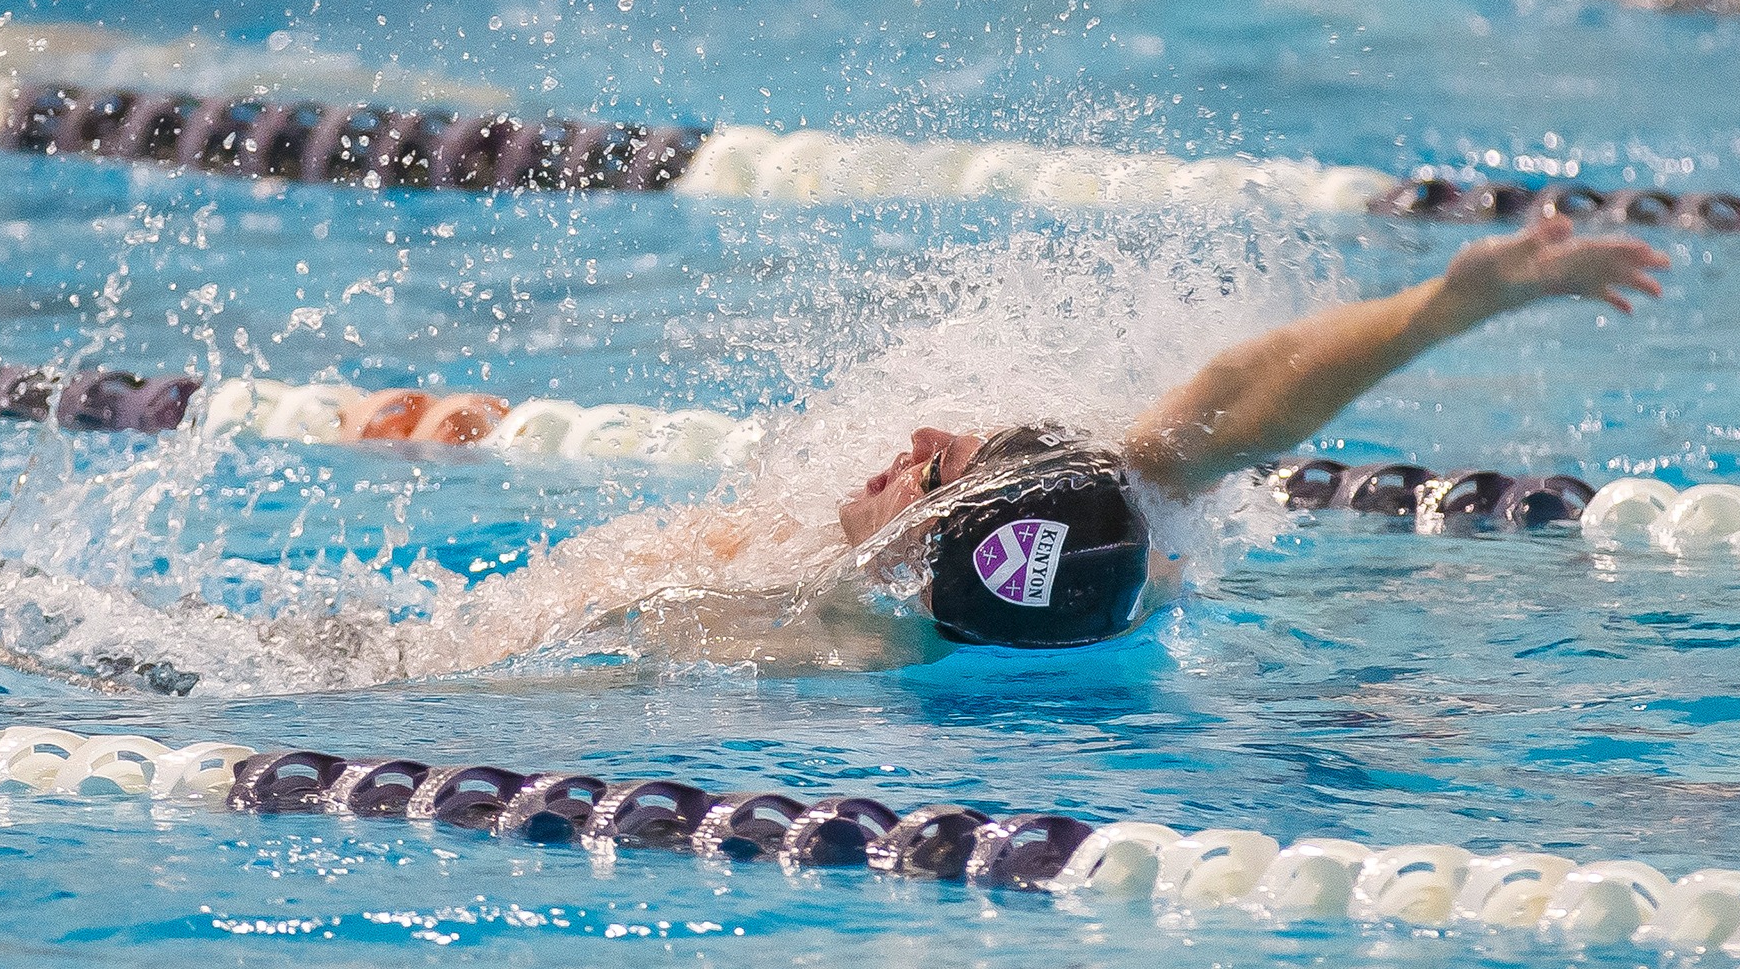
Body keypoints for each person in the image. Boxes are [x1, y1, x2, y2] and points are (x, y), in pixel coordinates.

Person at [547, 213, 1668, 669]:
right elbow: (1239, 400)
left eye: (936, 472)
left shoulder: (799, 631)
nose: (923, 433)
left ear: (931, 548)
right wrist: (1443, 308)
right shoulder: (1124, 534)